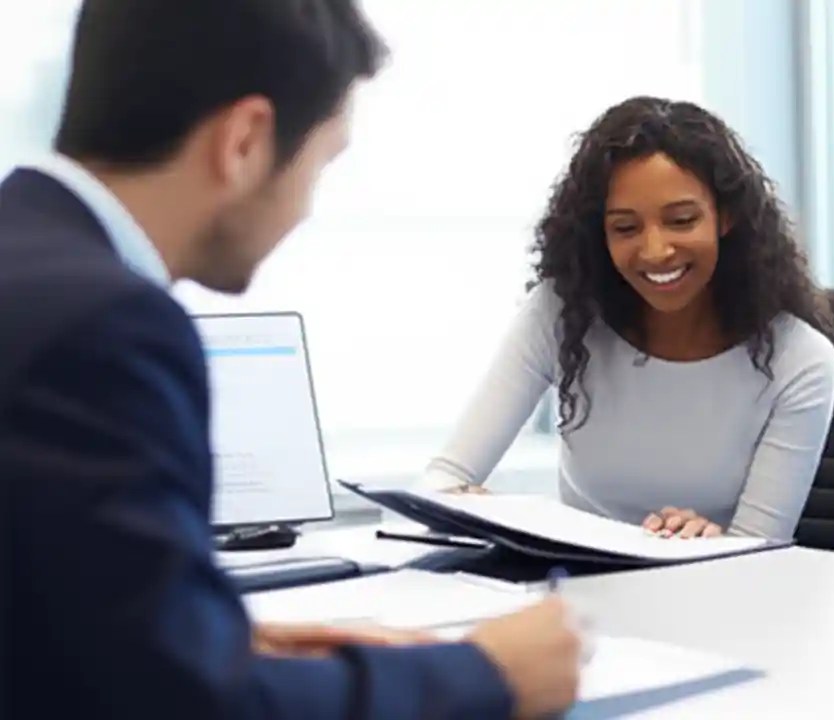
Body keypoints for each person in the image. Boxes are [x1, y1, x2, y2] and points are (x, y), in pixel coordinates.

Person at [1, 1, 580, 718]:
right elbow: (186, 708)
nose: (308, 208)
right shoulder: (104, 324)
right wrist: (489, 675)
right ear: (244, 141)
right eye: (323, 162)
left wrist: (207, 636)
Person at [420, 96, 834, 540]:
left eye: (681, 220)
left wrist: (709, 544)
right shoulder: (562, 314)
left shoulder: (801, 361)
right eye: (625, 228)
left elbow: (760, 552)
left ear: (726, 217)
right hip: (575, 594)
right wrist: (476, 514)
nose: (656, 250)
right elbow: (444, 478)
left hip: (711, 595)